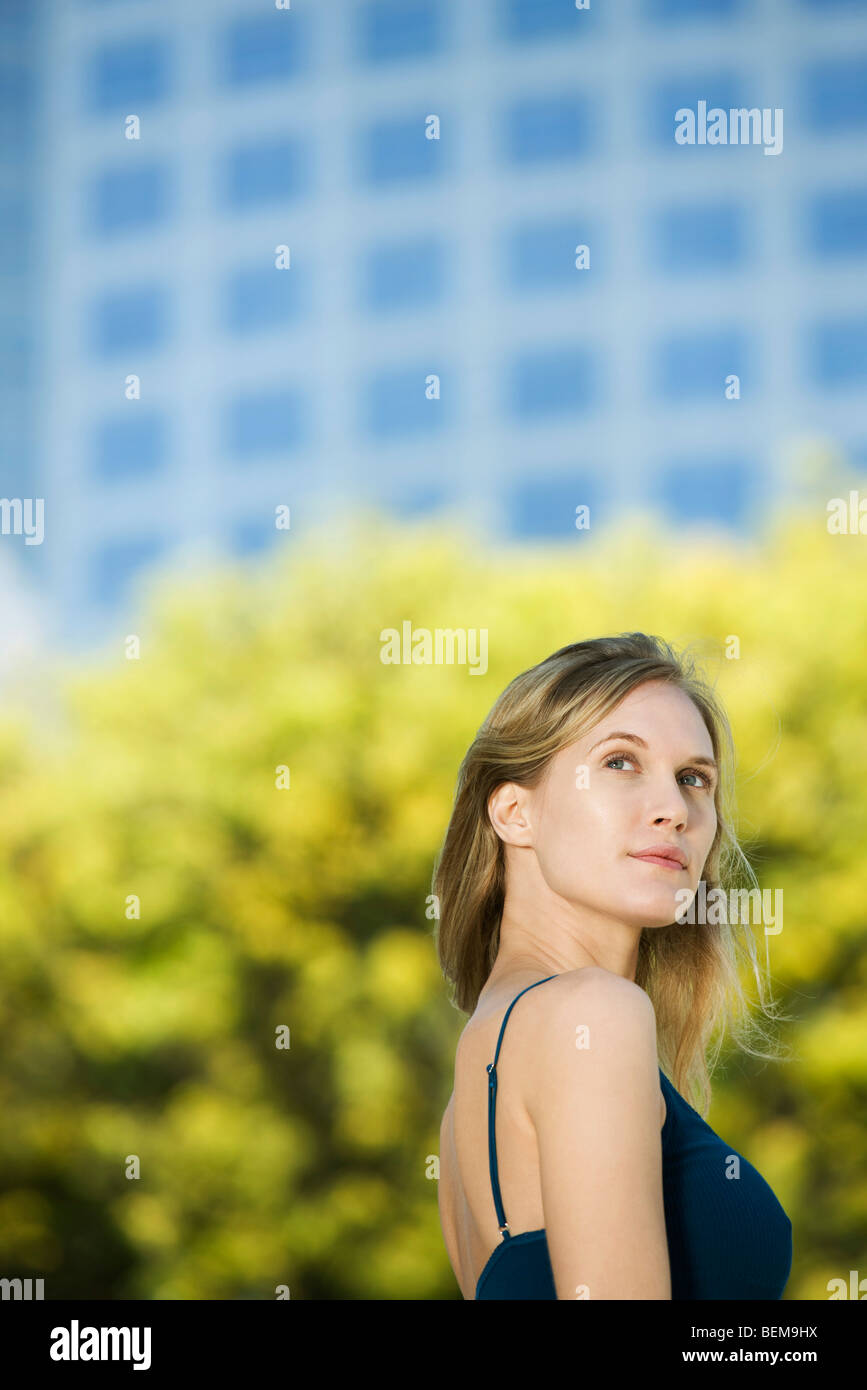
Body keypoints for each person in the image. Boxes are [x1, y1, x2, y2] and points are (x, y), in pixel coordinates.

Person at [433, 633, 793, 1299]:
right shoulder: (592, 1015)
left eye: (694, 779)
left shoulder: (472, 1089)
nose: (674, 810)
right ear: (515, 813)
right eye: (620, 762)